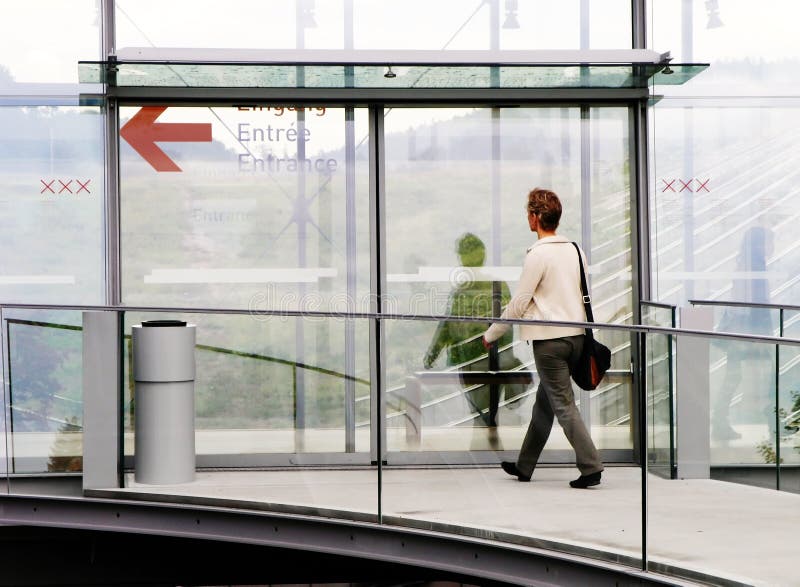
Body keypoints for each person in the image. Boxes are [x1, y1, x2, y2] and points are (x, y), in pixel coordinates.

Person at [482, 188, 604, 488]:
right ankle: (525, 466)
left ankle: (591, 466)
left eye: (529, 213)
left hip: (550, 343)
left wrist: (492, 333)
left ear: (536, 217)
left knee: (563, 405)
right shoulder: (576, 250)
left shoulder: (538, 254)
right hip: (577, 337)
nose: (528, 217)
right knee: (546, 403)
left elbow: (520, 302)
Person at [423, 233, 528, 427]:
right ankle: (493, 447)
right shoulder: (497, 285)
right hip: (494, 357)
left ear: (463, 258)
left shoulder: (463, 290)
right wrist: (505, 354)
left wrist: (432, 353)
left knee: (480, 415)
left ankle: (487, 450)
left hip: (471, 360)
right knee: (488, 411)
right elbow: (508, 323)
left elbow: (447, 325)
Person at [713, 225, 776, 441]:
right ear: (758, 244)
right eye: (769, 242)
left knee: (735, 375)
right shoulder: (755, 267)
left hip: (742, 330)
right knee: (765, 375)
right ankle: (773, 423)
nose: (772, 247)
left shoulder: (747, 264)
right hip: (749, 331)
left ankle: (720, 422)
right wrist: (761, 335)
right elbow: (754, 304)